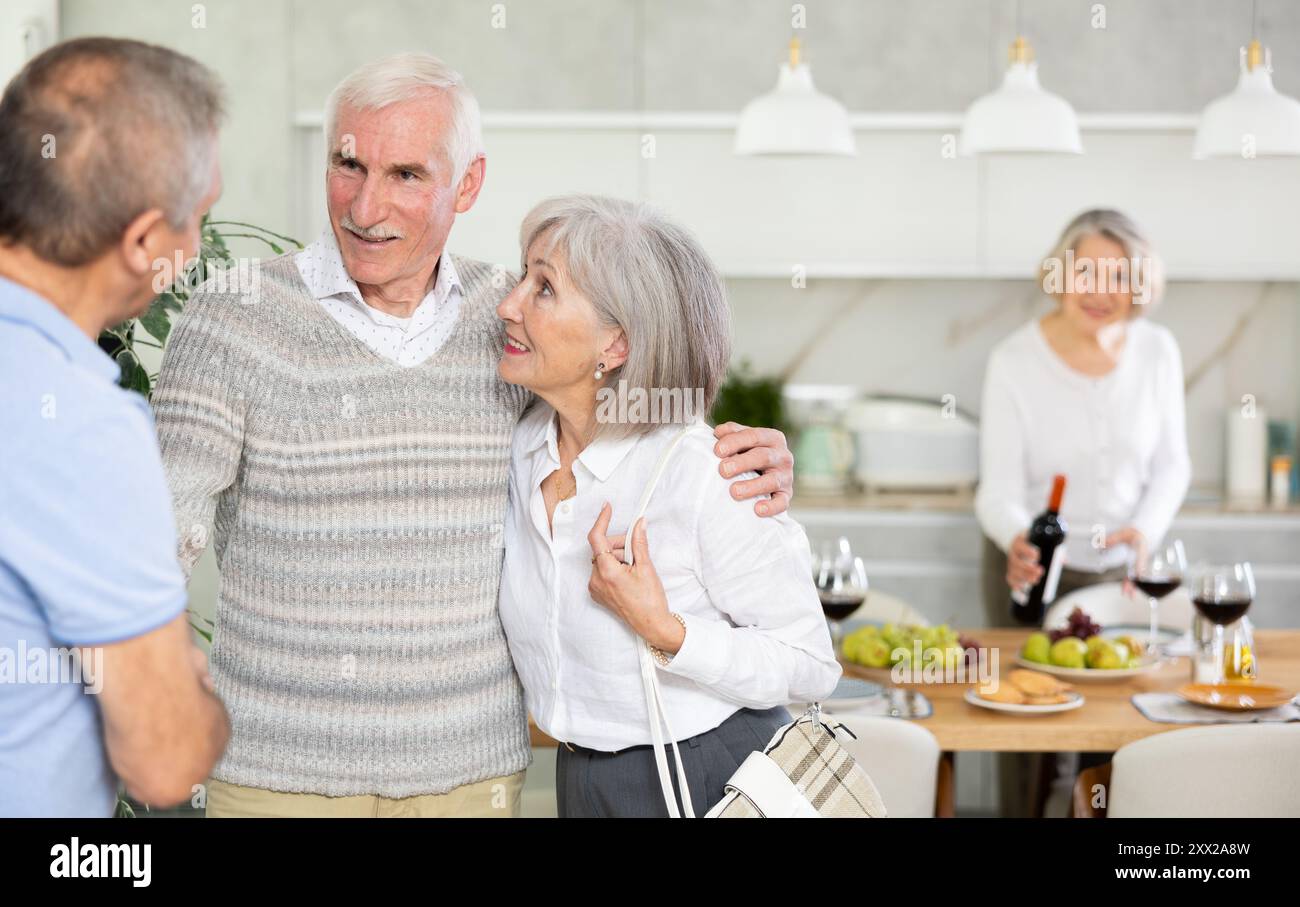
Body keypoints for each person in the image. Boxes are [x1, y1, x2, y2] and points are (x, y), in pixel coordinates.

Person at [151, 53, 796, 818]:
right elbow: (155, 534)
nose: (365, 205)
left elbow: (633, 429)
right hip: (274, 776)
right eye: (347, 164)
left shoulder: (514, 321)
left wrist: (745, 457)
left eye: (406, 175)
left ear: (468, 184)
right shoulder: (236, 317)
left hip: (471, 778)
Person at [496, 194, 841, 818]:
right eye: (522, 275)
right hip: (580, 777)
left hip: (712, 773)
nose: (508, 305)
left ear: (616, 345)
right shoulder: (520, 446)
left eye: (543, 288)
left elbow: (811, 666)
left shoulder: (706, 475)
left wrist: (666, 630)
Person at [0, 37, 230, 817]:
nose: (197, 246)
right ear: (141, 244)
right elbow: (165, 763)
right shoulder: (84, 426)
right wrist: (185, 685)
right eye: (197, 219)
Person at [974, 207, 1191, 816]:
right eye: (1087, 272)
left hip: (1117, 576)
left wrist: (1145, 530)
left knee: (1112, 738)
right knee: (1029, 743)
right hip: (1030, 575)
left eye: (1121, 276)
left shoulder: (1158, 352)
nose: (1102, 292)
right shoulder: (1013, 360)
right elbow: (996, 489)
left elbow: (1173, 466)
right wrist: (1019, 540)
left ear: (1142, 286)